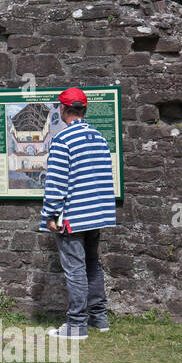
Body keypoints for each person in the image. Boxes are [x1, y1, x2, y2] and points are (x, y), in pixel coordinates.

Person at [40, 87, 117, 340]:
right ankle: (99, 318)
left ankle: (76, 325)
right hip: (97, 213)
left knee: (75, 270)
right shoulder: (99, 138)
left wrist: (51, 214)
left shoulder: (63, 140)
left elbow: (56, 183)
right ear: (85, 109)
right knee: (92, 265)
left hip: (72, 216)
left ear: (62, 109)